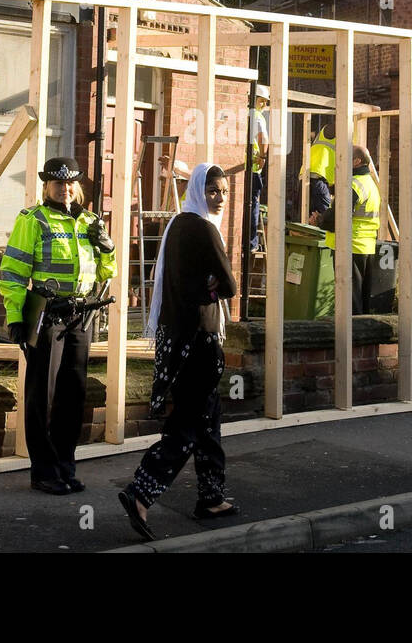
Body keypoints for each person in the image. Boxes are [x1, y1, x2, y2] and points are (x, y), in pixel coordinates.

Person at [118, 163, 238, 541]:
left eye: (223, 191)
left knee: (207, 423)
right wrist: (213, 286)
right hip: (200, 342)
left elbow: (189, 283)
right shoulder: (203, 229)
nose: (218, 198)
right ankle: (141, 491)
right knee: (188, 425)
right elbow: (230, 285)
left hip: (177, 341)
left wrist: (208, 284)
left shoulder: (177, 225)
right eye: (213, 190)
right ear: (200, 191)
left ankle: (211, 497)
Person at [0, 157, 115, 496]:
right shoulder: (33, 220)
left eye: (69, 183)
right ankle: (43, 471)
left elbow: (108, 272)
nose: (64, 189)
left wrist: (106, 247)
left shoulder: (90, 222)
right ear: (46, 186)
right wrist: (16, 317)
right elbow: (14, 273)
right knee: (41, 396)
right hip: (48, 316)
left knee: (72, 396)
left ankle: (65, 465)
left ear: (77, 186)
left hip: (81, 316)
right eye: (57, 183)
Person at [322, 145, 381, 314]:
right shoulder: (369, 184)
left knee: (350, 302)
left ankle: (351, 339)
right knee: (361, 300)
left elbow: (339, 217)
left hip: (349, 247)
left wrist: (319, 220)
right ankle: (362, 338)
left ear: (356, 161)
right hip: (365, 247)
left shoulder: (354, 185)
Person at [248, 85, 270, 252]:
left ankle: (249, 240)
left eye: (265, 102)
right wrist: (263, 156)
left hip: (249, 167)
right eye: (261, 101)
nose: (263, 105)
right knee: (253, 204)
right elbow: (263, 138)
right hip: (254, 168)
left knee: (249, 204)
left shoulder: (248, 114)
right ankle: (252, 242)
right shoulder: (257, 117)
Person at [304, 119, 335, 225]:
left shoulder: (322, 137)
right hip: (317, 178)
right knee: (327, 218)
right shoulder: (330, 130)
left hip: (309, 177)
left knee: (311, 219)